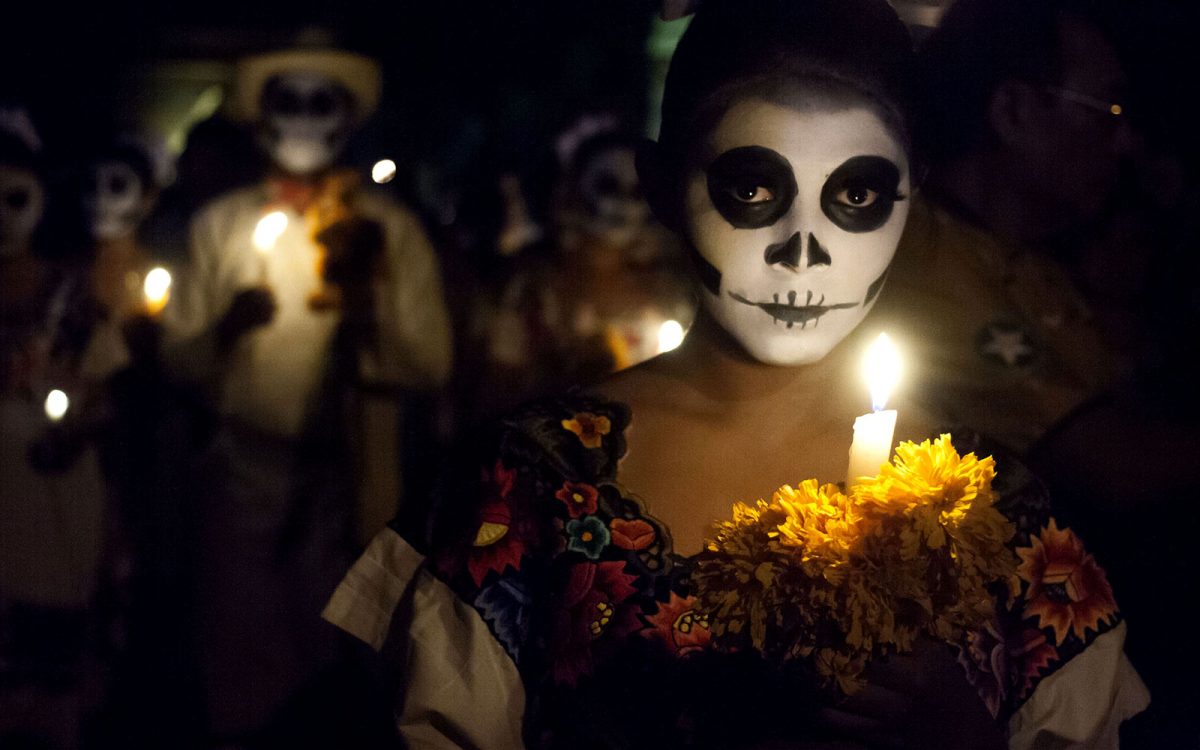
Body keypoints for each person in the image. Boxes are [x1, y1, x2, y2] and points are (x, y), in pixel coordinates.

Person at [322, 2, 1147, 747]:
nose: (803, 249)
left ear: (912, 197)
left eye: (856, 196)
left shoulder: (998, 508)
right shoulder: (527, 482)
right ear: (660, 186)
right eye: (753, 187)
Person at [161, 41, 453, 745]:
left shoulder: (389, 233)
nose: (300, 118)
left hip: (350, 481)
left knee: (340, 657)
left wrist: (369, 315)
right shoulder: (219, 228)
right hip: (244, 477)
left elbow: (431, 365)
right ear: (260, 118)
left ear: (347, 119)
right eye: (286, 100)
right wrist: (225, 331)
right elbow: (177, 363)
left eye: (319, 102)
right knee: (240, 650)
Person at [868, 0, 1140, 456]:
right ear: (1013, 111)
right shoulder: (926, 268)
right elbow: (1108, 466)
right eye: (1107, 109)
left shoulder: (1021, 255)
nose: (1126, 141)